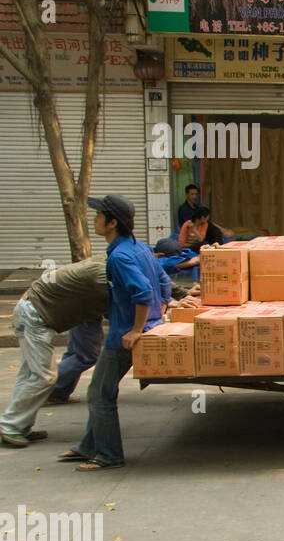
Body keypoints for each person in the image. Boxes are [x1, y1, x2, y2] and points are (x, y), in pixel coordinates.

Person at [59, 194, 169, 471]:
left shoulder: (120, 256)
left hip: (124, 336)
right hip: (148, 327)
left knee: (99, 393)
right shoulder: (140, 248)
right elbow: (163, 282)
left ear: (112, 222)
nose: (93, 220)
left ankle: (108, 455)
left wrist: (135, 330)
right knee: (102, 390)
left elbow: (143, 293)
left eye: (98, 216)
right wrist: (158, 314)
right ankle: (88, 445)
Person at [1, 256, 110, 447]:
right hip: (33, 316)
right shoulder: (100, 273)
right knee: (45, 377)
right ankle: (10, 426)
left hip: (32, 313)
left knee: (30, 375)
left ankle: (20, 425)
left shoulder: (104, 264)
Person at [46, 319, 106, 406]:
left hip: (81, 312)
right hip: (86, 312)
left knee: (76, 353)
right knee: (85, 357)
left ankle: (58, 393)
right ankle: (46, 387)